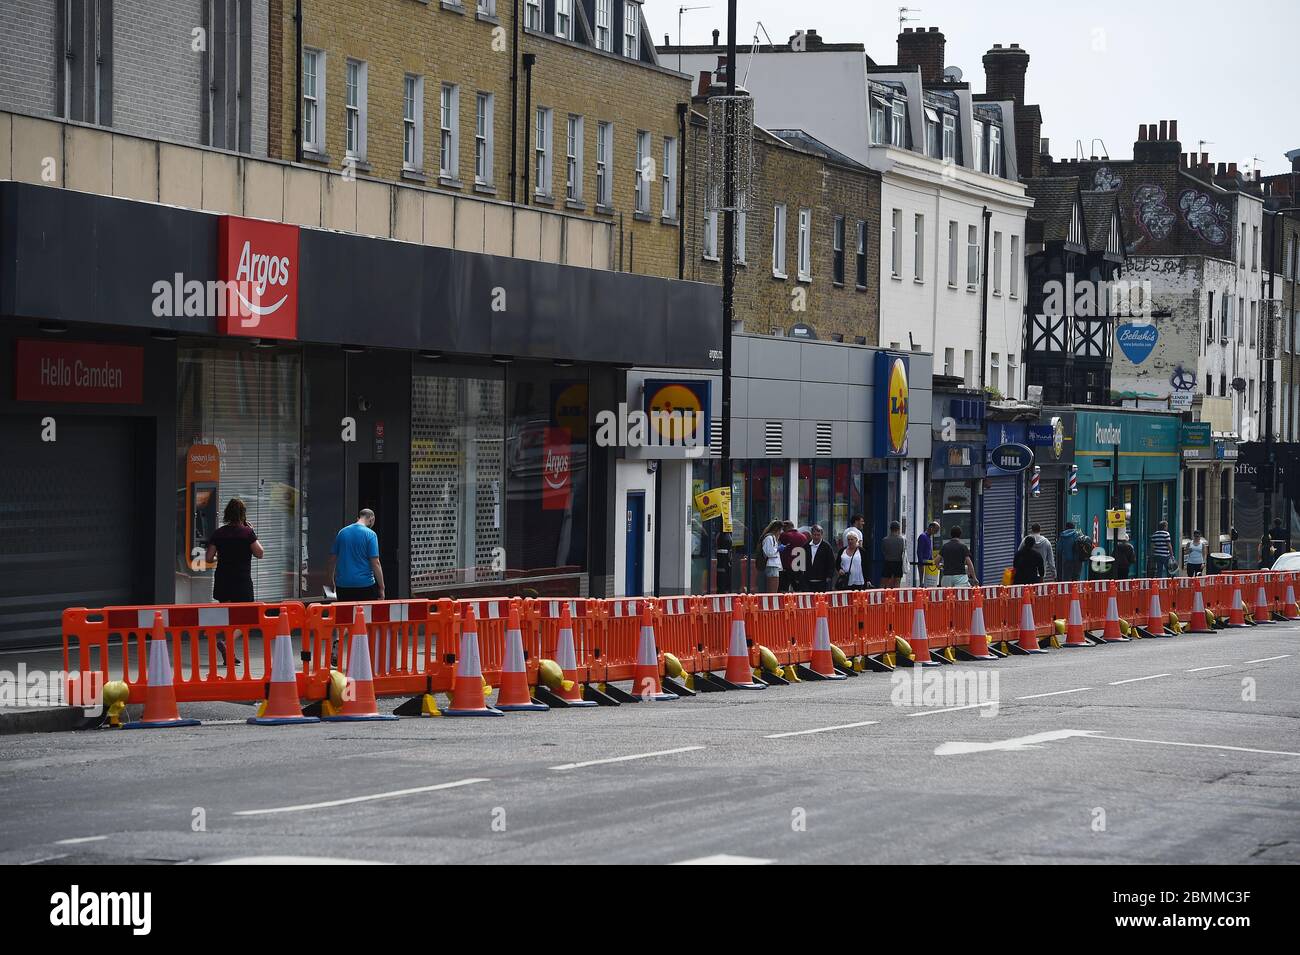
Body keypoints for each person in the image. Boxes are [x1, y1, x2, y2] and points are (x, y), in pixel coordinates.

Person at [204, 497, 264, 667]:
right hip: (241, 580)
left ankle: (228, 652)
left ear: (227, 514)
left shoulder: (219, 533)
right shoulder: (247, 533)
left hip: (223, 579)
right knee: (247, 618)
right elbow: (260, 553)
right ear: (243, 514)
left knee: (228, 617)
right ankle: (226, 641)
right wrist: (252, 532)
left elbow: (208, 558)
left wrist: (220, 555)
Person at [329, 508, 386, 600]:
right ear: (371, 519)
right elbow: (375, 563)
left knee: (345, 613)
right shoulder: (371, 534)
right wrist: (382, 587)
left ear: (358, 518)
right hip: (365, 584)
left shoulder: (342, 532)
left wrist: (331, 580)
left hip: (343, 585)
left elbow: (332, 560)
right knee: (364, 614)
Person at [779, 520, 810, 592]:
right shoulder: (803, 537)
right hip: (799, 566)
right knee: (798, 589)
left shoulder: (785, 535)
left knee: (784, 589)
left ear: (786, 528)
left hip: (787, 566)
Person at [805, 524, 836, 591]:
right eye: (814, 535)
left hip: (822, 581)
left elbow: (831, 562)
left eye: (818, 535)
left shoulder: (827, 547)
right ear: (811, 535)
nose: (816, 537)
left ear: (822, 535)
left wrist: (829, 576)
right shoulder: (806, 546)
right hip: (808, 581)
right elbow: (801, 562)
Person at [758, 520, 783, 593]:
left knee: (773, 590)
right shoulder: (769, 538)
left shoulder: (773, 538)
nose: (780, 533)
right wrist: (778, 549)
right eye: (780, 530)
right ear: (777, 530)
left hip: (774, 566)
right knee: (772, 591)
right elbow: (769, 552)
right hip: (771, 565)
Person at [880, 521, 906, 588]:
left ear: (890, 529)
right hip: (898, 562)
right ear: (898, 529)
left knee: (884, 581)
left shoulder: (885, 540)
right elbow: (902, 551)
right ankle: (896, 596)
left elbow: (883, 551)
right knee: (897, 582)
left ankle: (883, 595)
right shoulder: (901, 540)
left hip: (887, 562)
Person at [916, 520, 940, 587]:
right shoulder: (923, 536)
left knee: (928, 579)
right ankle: (921, 584)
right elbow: (919, 550)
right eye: (935, 530)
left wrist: (932, 560)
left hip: (928, 561)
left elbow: (929, 550)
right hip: (923, 561)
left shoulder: (929, 537)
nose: (936, 533)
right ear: (931, 528)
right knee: (923, 579)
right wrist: (921, 562)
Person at [714, 529, 733, 593]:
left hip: (725, 560)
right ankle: (722, 589)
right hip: (723, 560)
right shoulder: (723, 536)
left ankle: (724, 588)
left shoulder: (724, 536)